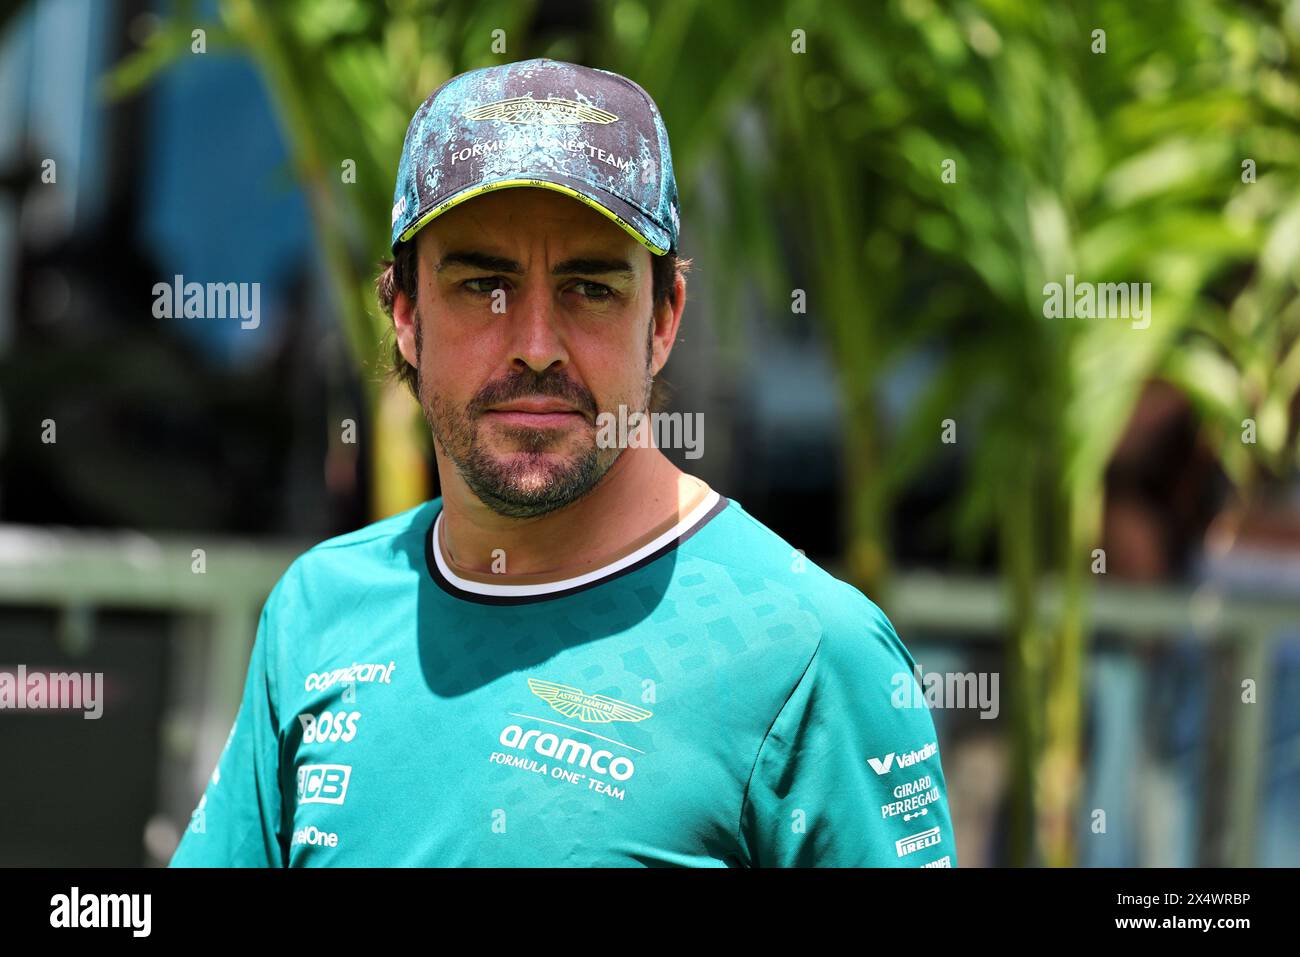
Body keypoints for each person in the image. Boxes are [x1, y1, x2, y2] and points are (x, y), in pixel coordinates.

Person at [170, 57, 957, 867]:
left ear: (663, 319)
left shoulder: (811, 654)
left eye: (589, 287)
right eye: (483, 285)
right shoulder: (319, 610)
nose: (537, 346)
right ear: (405, 313)